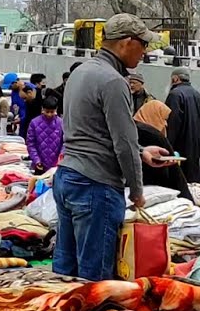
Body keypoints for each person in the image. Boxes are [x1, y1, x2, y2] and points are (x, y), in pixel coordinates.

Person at [54, 14, 172, 281]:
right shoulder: (114, 81)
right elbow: (123, 143)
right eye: (143, 45)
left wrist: (142, 152)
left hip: (67, 176)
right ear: (126, 43)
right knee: (95, 279)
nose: (144, 53)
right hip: (96, 185)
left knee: (64, 273)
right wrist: (137, 190)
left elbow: (92, 131)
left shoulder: (80, 72)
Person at [134, 101, 193, 201]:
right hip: (157, 191)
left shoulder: (127, 132)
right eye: (163, 118)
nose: (165, 124)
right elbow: (176, 175)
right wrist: (188, 200)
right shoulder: (154, 136)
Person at [165, 67, 200, 183]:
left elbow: (173, 122)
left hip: (180, 144)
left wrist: (168, 145)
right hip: (195, 143)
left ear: (175, 79)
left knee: (178, 178)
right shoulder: (197, 94)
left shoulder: (175, 94)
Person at [25, 95, 63, 174]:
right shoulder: (34, 123)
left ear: (56, 110)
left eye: (52, 112)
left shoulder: (61, 123)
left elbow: (65, 143)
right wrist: (36, 160)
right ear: (42, 109)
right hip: (39, 166)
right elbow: (30, 143)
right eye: (47, 111)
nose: (49, 114)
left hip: (57, 166)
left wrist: (61, 158)